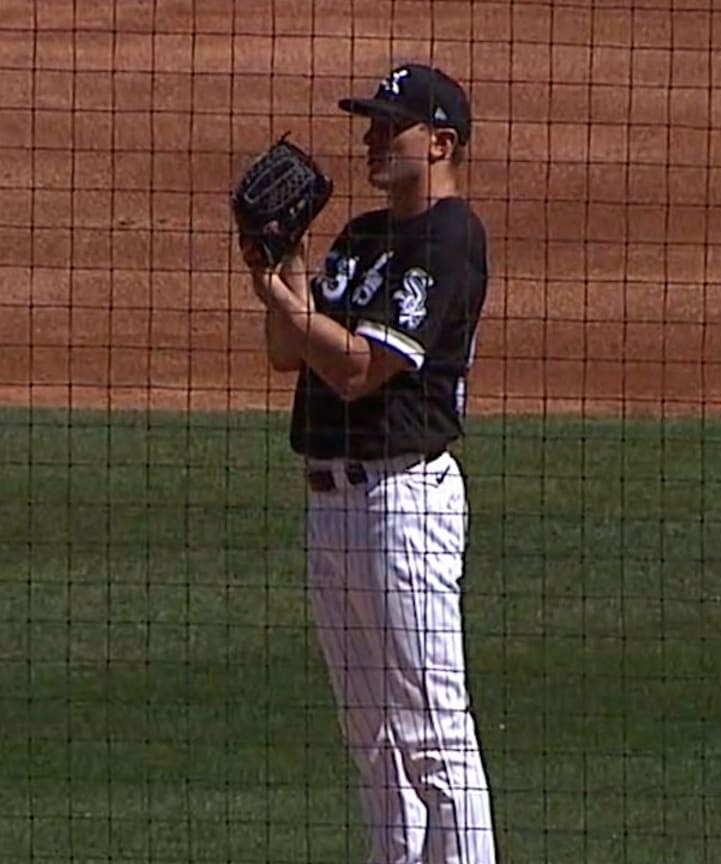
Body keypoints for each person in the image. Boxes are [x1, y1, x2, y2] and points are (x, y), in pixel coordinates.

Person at [240, 62, 497, 864]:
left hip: (402, 503)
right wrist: (280, 267)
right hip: (335, 505)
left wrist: (281, 297)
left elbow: (357, 369)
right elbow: (291, 353)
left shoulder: (450, 238)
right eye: (371, 125)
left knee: (433, 733)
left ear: (441, 143)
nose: (372, 140)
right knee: (372, 733)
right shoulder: (361, 236)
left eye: (391, 127)